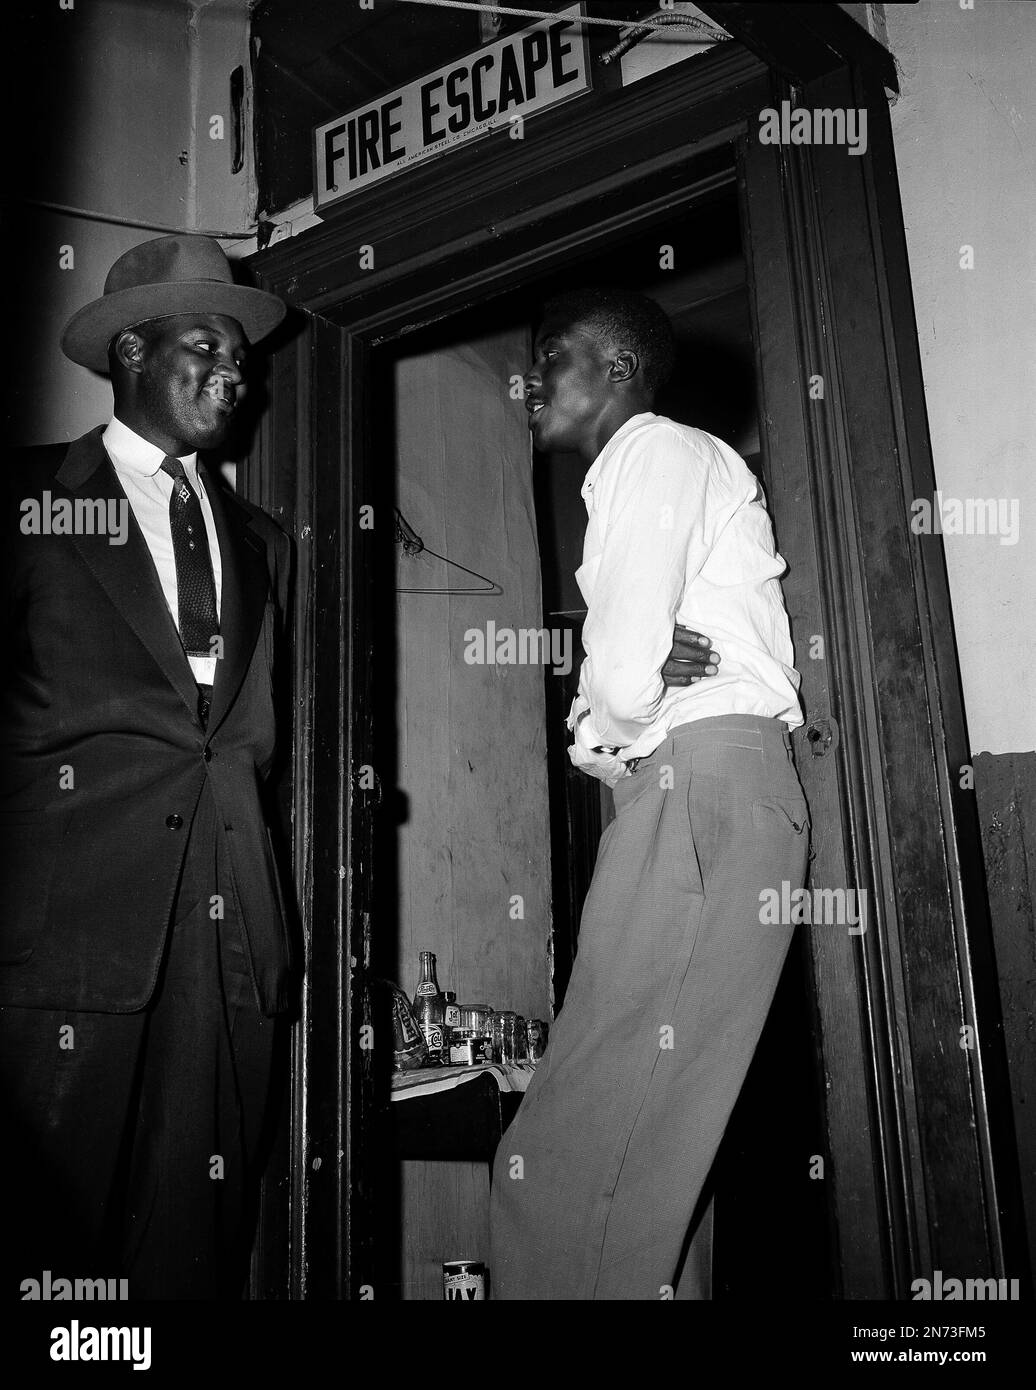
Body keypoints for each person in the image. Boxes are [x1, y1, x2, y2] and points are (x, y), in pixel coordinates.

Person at [490, 287, 809, 1300]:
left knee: (562, 1157)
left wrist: (618, 695)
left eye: (554, 355)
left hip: (695, 790)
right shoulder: (664, 469)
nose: (529, 379)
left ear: (619, 368)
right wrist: (616, 705)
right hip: (708, 790)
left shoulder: (650, 453)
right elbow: (605, 720)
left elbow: (616, 688)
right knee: (654, 1159)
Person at [0, 234, 293, 1300]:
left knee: (193, 1238)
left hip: (228, 947)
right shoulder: (32, 494)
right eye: (208, 345)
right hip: (64, 937)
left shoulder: (263, 541)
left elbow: (250, 744)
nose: (236, 370)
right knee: (50, 1246)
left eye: (244, 357)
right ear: (131, 349)